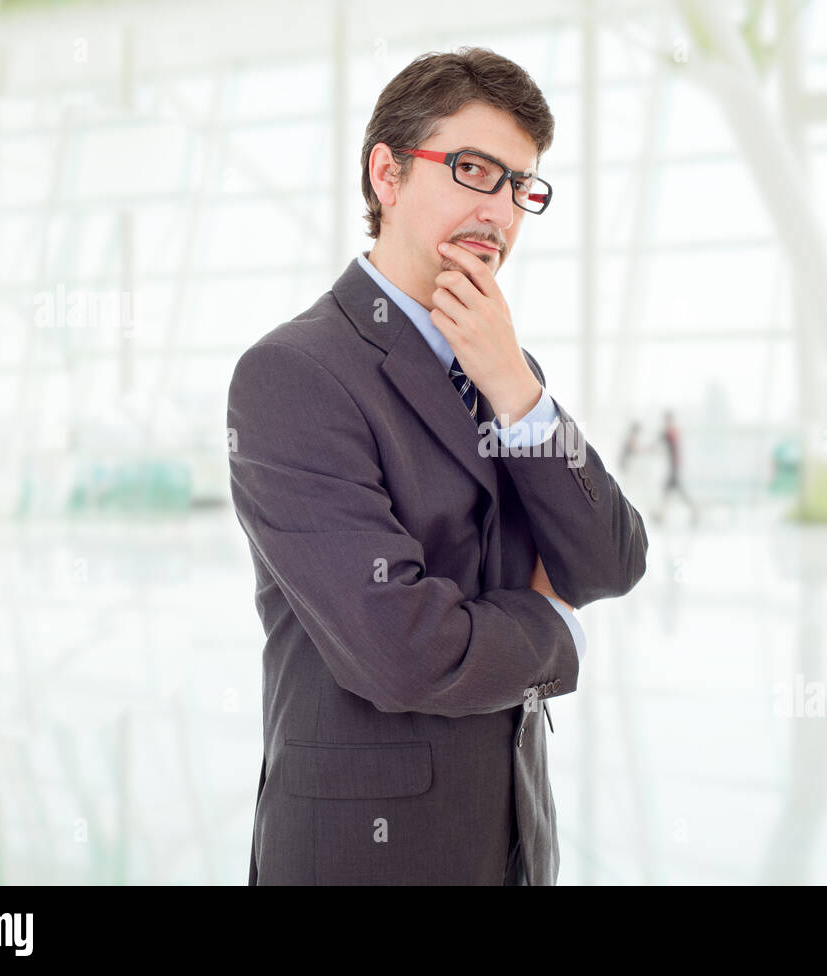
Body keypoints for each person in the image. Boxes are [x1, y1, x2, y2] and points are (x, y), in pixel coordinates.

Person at [226, 47, 648, 885]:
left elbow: (610, 560)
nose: (500, 211)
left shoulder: (499, 360)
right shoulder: (295, 374)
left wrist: (519, 394)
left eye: (520, 187)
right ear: (385, 174)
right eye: (471, 170)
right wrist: (549, 623)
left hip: (511, 840)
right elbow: (402, 648)